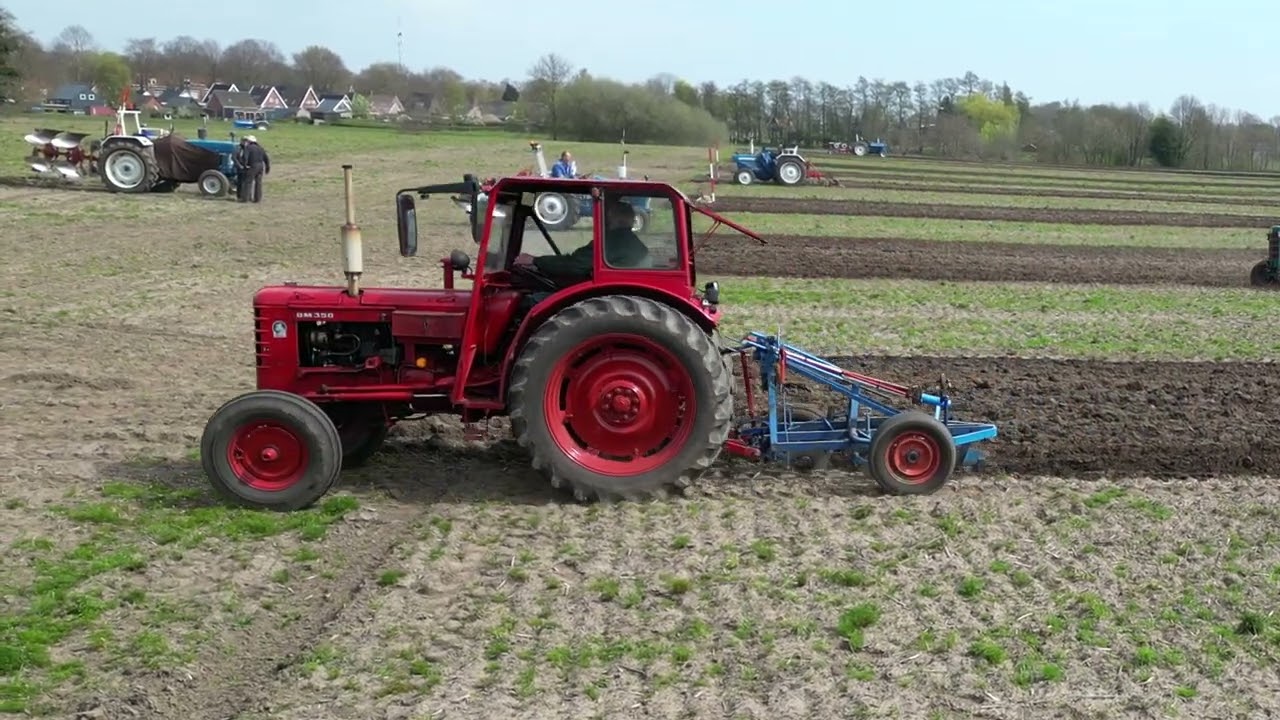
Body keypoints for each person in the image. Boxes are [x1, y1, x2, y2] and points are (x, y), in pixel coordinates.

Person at [519, 199, 649, 283]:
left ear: (610, 219)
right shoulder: (634, 243)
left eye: (605, 216)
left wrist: (535, 261)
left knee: (534, 300)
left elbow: (575, 265)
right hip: (616, 291)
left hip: (607, 296)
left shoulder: (613, 243)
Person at [239, 135, 271, 203]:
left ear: (249, 141)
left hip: (253, 166)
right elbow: (266, 158)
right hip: (260, 166)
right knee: (258, 183)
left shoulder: (248, 148)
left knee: (248, 182)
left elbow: (245, 157)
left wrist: (245, 165)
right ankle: (257, 199)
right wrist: (267, 167)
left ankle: (245, 198)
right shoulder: (260, 148)